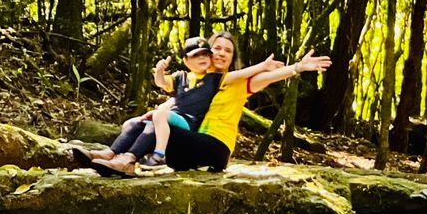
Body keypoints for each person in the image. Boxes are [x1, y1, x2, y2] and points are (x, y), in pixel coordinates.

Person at [99, 32, 331, 176]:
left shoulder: (239, 82)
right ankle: (109, 157)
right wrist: (160, 110)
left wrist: (298, 67)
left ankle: (127, 161)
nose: (221, 53)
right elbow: (182, 101)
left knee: (154, 123)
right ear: (208, 53)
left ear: (232, 57)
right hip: (190, 146)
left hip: (215, 147)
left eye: (227, 51)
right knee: (138, 122)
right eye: (217, 48)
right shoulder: (201, 79)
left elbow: (270, 77)